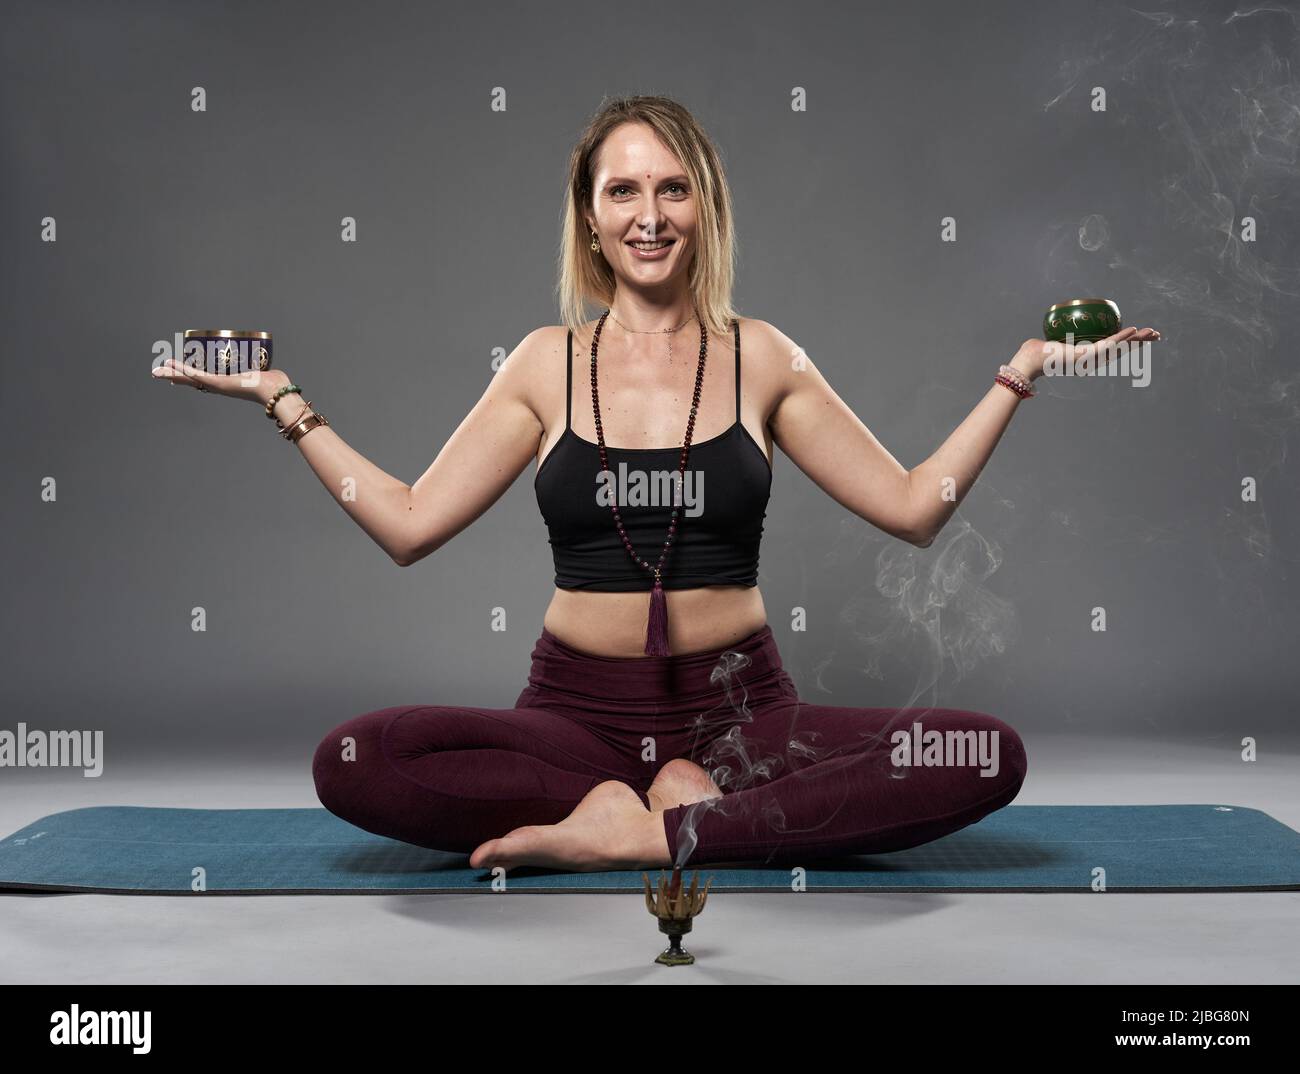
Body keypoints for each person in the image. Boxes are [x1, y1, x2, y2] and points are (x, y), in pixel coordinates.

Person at [152, 95, 1160, 873]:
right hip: (572, 721)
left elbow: (912, 509)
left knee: (983, 756)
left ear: (703, 208)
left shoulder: (761, 356)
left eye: (672, 189)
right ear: (589, 221)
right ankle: (670, 819)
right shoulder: (544, 364)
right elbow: (410, 524)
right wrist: (286, 401)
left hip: (741, 720)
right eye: (621, 192)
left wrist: (1018, 374)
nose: (648, 215)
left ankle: (648, 832)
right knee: (355, 761)